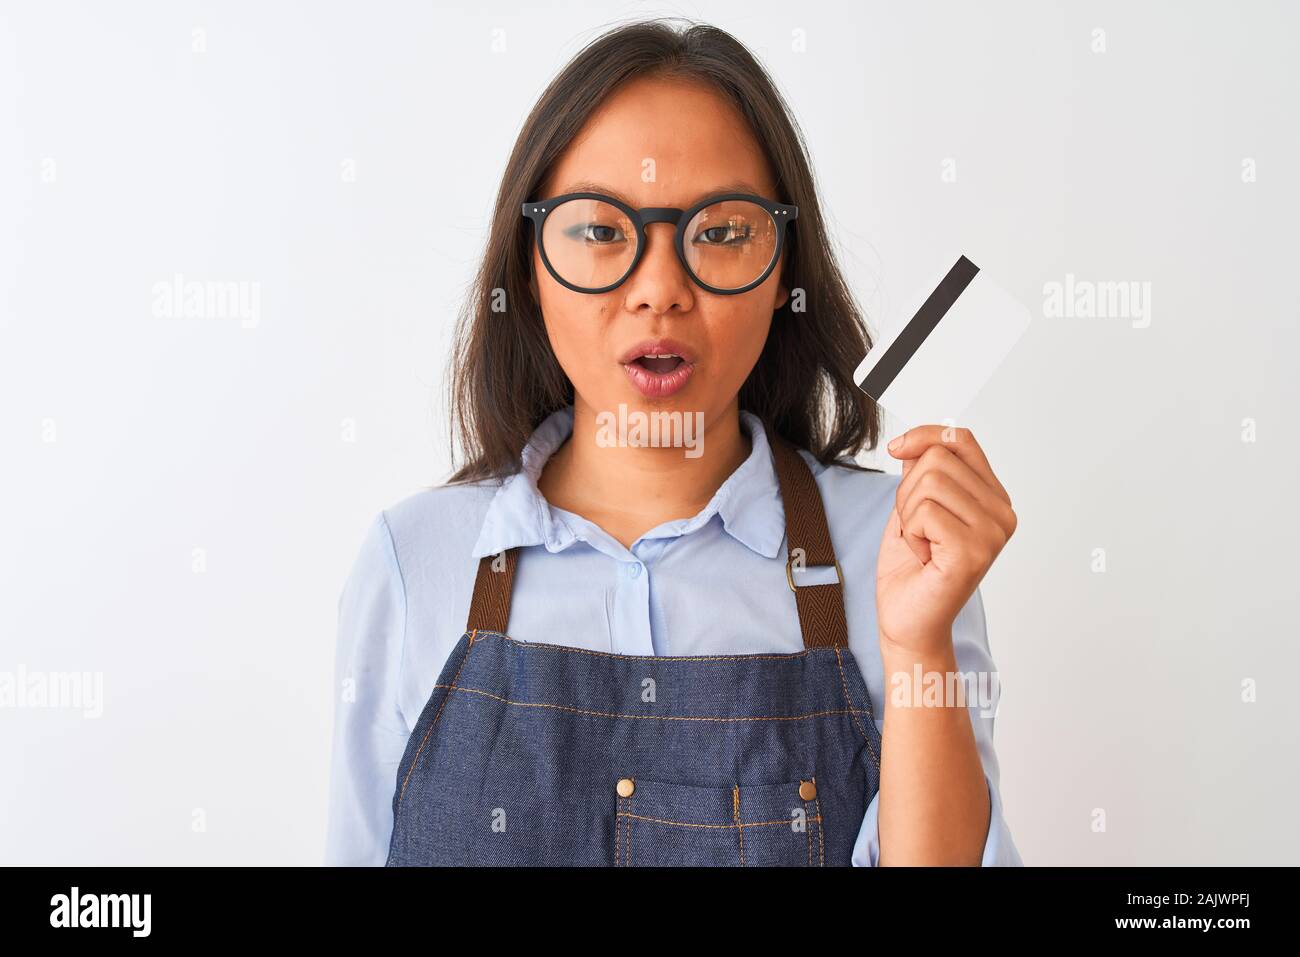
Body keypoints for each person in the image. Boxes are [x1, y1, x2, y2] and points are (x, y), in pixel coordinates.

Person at [326, 18, 1021, 866]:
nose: (660, 289)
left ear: (783, 273)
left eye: (722, 234)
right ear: (530, 267)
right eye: (602, 231)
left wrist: (918, 640)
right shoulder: (413, 559)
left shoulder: (899, 547)